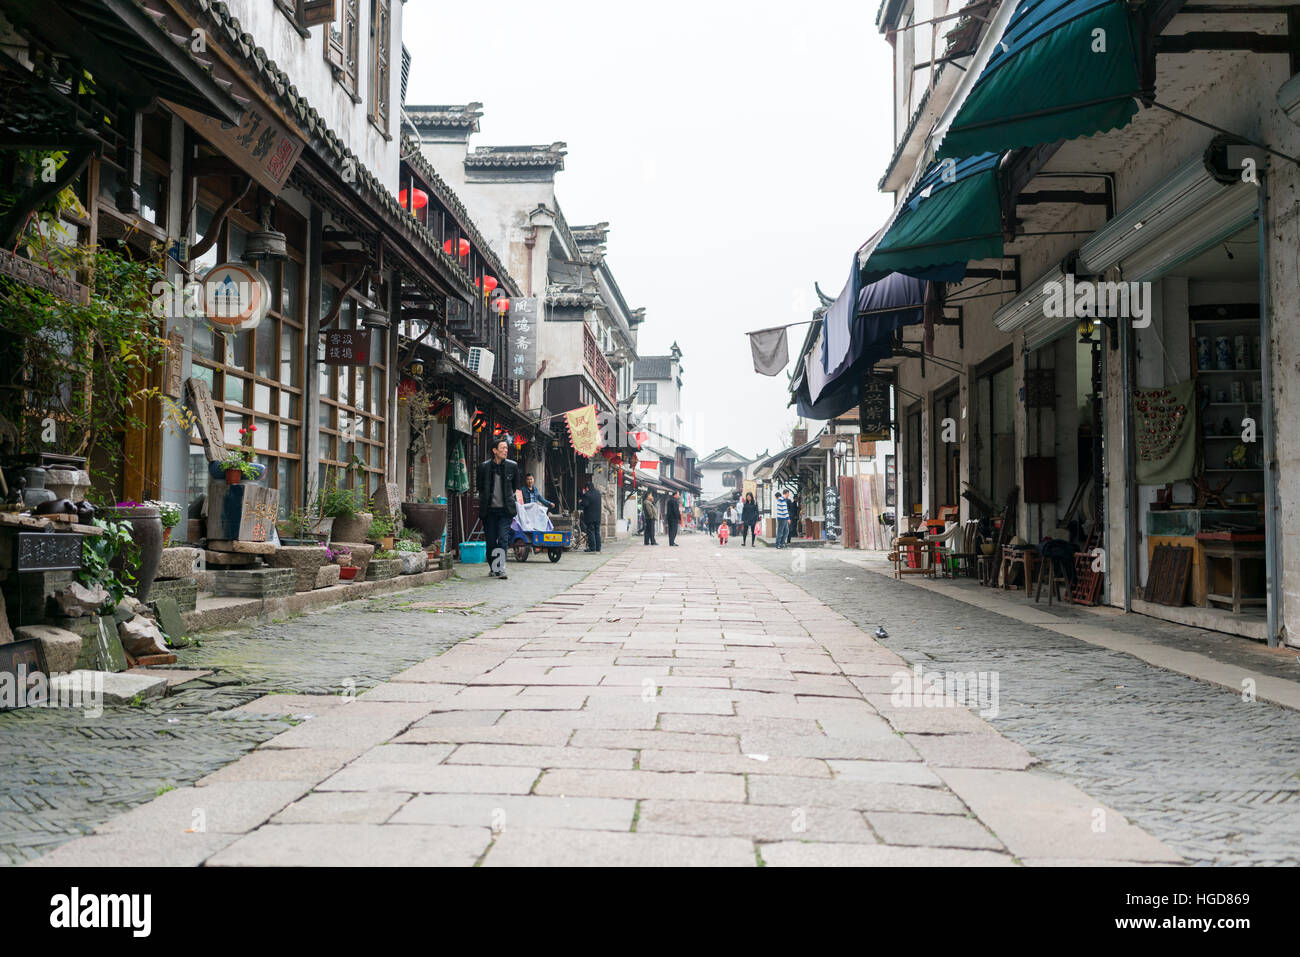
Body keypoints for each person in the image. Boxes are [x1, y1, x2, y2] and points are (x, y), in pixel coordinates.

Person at [475, 436, 522, 579]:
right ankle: (493, 567)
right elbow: (480, 487)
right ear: (494, 450)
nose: (506, 450)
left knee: (502, 539)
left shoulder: (512, 466)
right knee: (490, 541)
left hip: (505, 511)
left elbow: (515, 486)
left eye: (507, 448)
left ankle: (500, 567)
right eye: (503, 448)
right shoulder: (484, 467)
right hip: (489, 511)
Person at [580, 479, 602, 552]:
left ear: (587, 487)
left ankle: (592, 548)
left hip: (590, 517)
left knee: (591, 532)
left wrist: (581, 501)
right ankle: (598, 548)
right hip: (598, 517)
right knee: (597, 531)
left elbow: (585, 504)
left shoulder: (587, 494)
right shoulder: (598, 493)